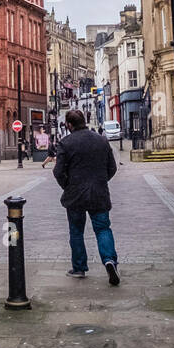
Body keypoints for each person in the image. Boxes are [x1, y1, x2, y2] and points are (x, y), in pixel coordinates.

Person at [53, 108, 120, 285]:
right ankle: (109, 260)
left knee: (76, 232)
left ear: (68, 125)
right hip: (99, 193)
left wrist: (68, 186)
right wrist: (100, 180)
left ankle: (79, 268)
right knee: (103, 229)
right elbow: (112, 168)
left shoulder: (65, 143)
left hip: (75, 195)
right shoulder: (102, 141)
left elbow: (58, 171)